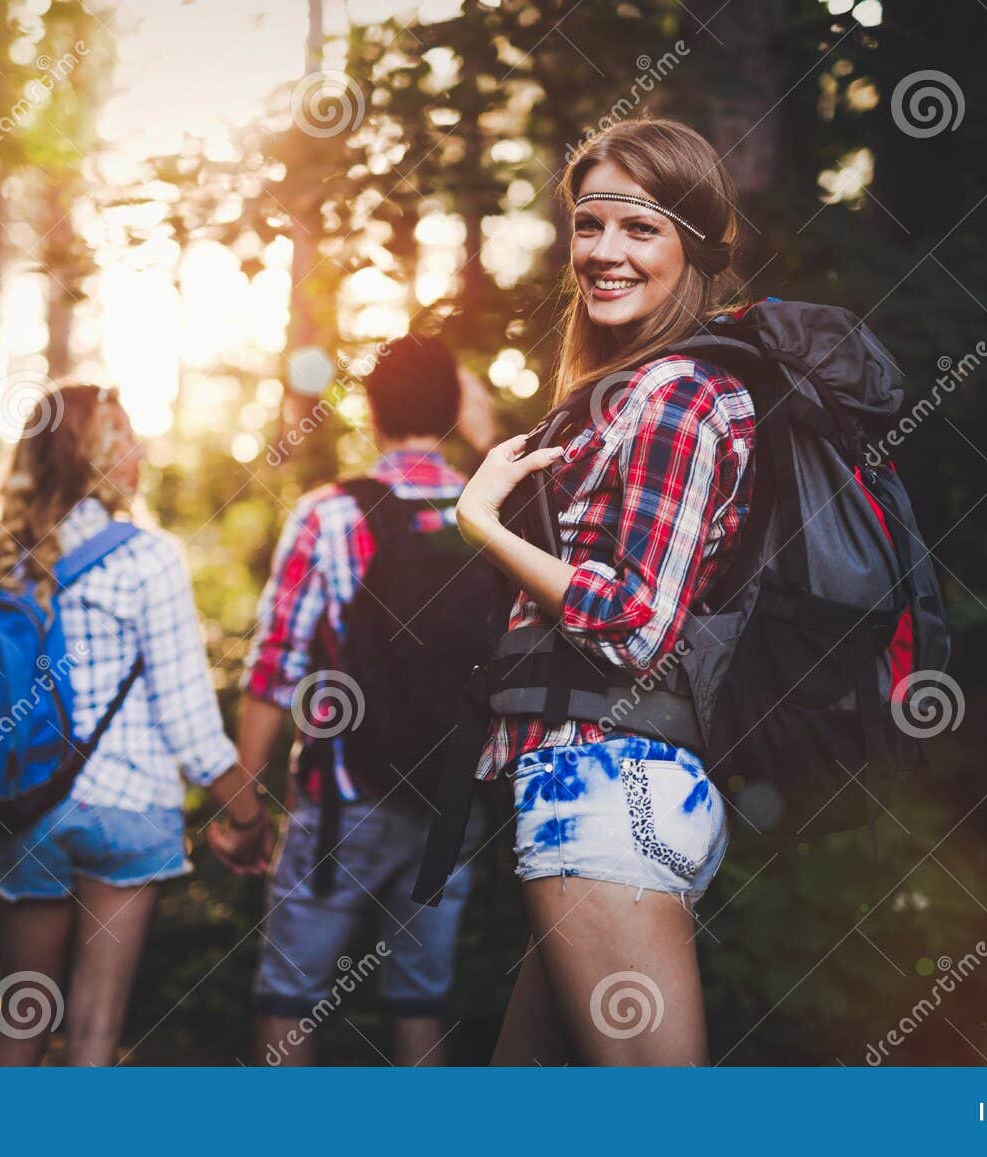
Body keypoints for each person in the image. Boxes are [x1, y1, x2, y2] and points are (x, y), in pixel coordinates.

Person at [454, 119, 755, 1065]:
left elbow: (634, 624)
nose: (604, 251)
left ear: (692, 246)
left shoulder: (676, 394)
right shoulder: (625, 394)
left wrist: (483, 525)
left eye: (641, 227)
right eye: (590, 224)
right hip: (598, 789)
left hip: (607, 788)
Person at [0, 384, 270, 1066]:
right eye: (123, 435)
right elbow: (191, 726)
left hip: (28, 806)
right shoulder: (147, 557)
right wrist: (248, 819)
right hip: (130, 808)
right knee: (95, 1032)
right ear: (92, 455)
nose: (140, 449)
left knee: (19, 1023)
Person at [237, 335, 493, 1066]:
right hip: (452, 799)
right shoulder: (491, 513)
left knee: (287, 998)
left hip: (344, 798)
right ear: (454, 410)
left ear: (373, 413)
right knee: (419, 1000)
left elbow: (276, 666)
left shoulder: (330, 513)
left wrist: (242, 803)